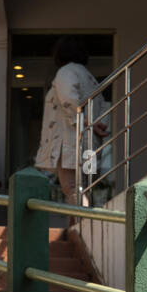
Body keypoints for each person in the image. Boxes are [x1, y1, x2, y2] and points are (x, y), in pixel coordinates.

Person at [34, 38, 107, 207]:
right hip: (91, 143)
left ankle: (81, 229)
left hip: (70, 142)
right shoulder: (89, 77)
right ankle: (77, 228)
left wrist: (85, 122)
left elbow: (68, 99)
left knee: (72, 188)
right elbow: (103, 105)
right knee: (84, 189)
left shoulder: (66, 72)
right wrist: (95, 125)